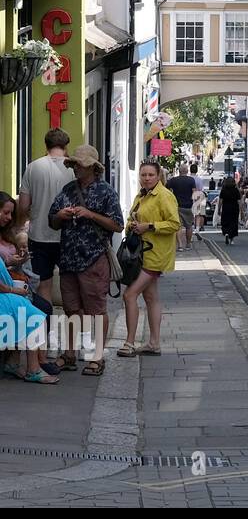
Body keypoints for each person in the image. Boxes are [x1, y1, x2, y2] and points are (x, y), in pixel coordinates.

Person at [48, 145, 124, 377]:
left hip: (93, 258)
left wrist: (90, 214)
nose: (76, 169)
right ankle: (70, 354)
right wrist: (60, 216)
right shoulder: (68, 189)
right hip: (69, 259)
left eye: (80, 165)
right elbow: (52, 220)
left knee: (97, 310)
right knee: (71, 309)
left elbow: (118, 224)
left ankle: (97, 357)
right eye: (74, 165)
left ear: (92, 167)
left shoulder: (106, 192)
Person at [117, 160, 181, 358]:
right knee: (151, 297)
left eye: (150, 175)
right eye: (143, 175)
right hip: (141, 253)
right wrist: (132, 225)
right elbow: (132, 218)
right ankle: (154, 343)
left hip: (155, 255)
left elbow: (174, 224)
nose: (146, 178)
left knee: (129, 295)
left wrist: (150, 226)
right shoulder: (141, 195)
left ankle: (129, 342)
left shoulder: (164, 196)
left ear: (158, 175)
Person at [17, 128, 74, 337]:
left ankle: (45, 340)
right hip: (68, 237)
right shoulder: (73, 168)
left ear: (46, 145)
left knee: (44, 286)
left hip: (39, 235)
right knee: (70, 290)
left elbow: (23, 206)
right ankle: (71, 345)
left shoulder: (33, 167)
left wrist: (27, 219)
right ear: (65, 145)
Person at [0, 192, 58, 377]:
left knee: (43, 307)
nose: (9, 218)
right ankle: (34, 367)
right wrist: (13, 290)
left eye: (11, 214)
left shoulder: (7, 234)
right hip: (6, 289)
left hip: (12, 283)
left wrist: (18, 262)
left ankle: (25, 360)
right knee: (33, 312)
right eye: (6, 213)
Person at [165, 163, 198, 252]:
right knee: (189, 226)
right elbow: (194, 193)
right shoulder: (191, 180)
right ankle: (188, 244)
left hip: (176, 206)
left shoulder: (173, 180)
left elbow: (165, 188)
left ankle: (180, 245)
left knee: (178, 226)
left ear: (179, 171)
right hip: (188, 206)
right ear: (187, 171)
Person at [218, 177, 241, 244]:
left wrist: (219, 209)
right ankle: (232, 239)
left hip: (226, 208)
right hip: (234, 208)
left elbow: (220, 201)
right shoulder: (236, 190)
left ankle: (226, 233)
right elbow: (239, 201)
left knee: (225, 221)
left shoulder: (223, 190)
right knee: (233, 222)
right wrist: (241, 211)